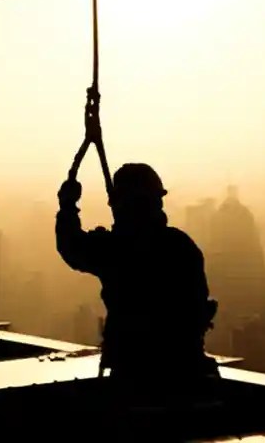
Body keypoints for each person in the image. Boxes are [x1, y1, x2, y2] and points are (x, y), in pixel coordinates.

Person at [56, 163, 219, 391]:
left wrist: (68, 206)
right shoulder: (180, 245)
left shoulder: (116, 249)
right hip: (187, 370)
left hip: (134, 373)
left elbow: (72, 247)